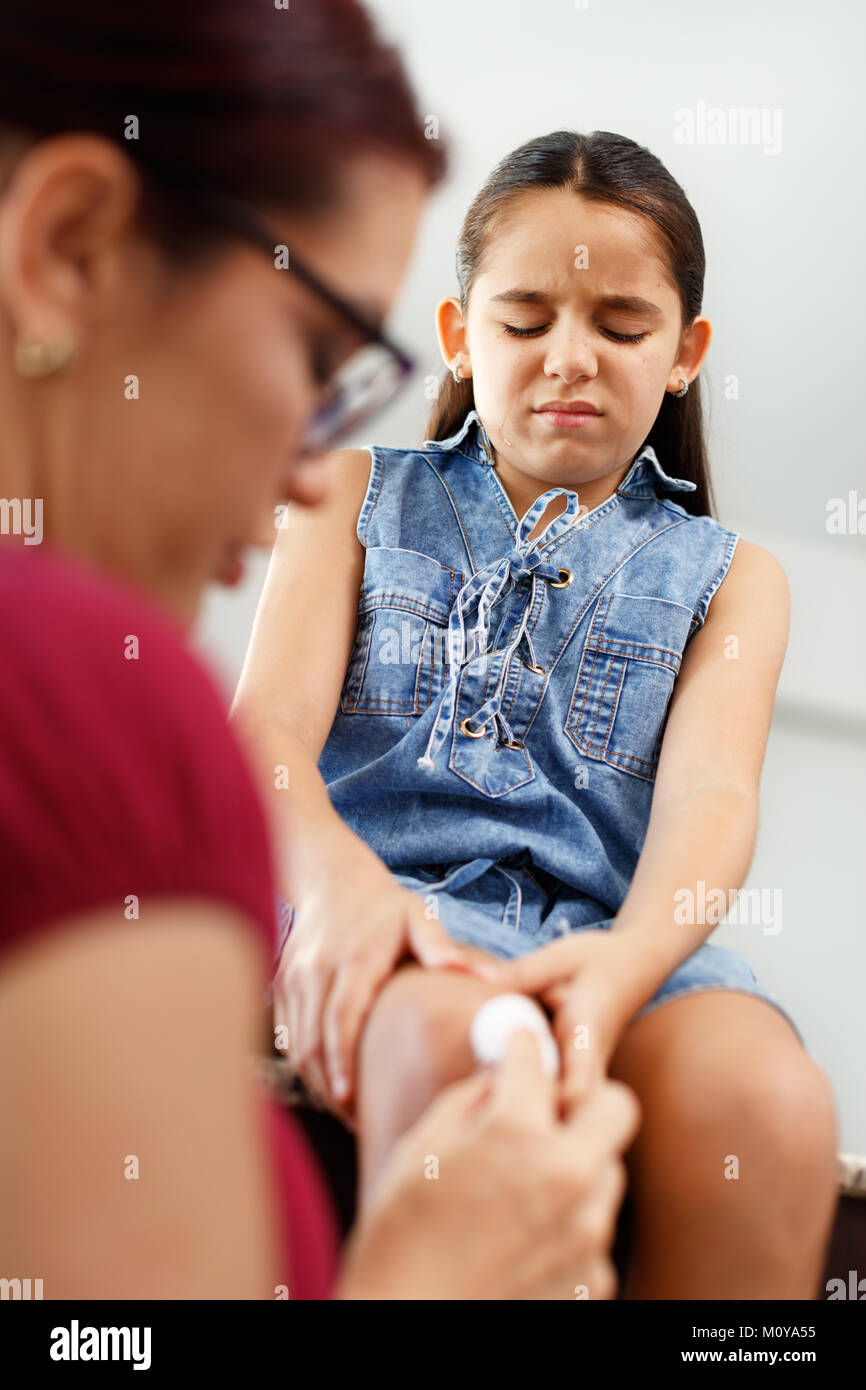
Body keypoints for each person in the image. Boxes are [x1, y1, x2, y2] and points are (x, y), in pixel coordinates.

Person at [0, 5, 639, 1301]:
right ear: (71, 248)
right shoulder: (88, 689)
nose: (306, 471)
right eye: (311, 356)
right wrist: (435, 1277)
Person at [234, 129, 840, 1299]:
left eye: (620, 328)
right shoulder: (348, 497)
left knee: (765, 1103)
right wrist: (343, 900)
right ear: (460, 336)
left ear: (682, 354)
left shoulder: (731, 576)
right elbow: (261, 738)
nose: (570, 358)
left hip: (614, 941)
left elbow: (710, 804)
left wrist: (620, 969)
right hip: (387, 916)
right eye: (523, 323)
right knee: (453, 1046)